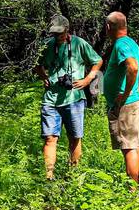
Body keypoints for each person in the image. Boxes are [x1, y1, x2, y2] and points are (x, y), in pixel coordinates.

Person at [34, 14, 102, 180]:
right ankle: (48, 177)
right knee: (50, 138)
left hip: (74, 98)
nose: (57, 36)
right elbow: (37, 63)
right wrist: (43, 76)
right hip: (51, 99)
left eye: (60, 33)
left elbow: (97, 61)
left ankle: (73, 175)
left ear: (67, 30)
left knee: (75, 137)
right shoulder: (46, 45)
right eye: (54, 33)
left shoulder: (78, 43)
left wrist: (87, 79)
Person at [102, 11, 139, 200]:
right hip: (133, 103)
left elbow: (133, 66)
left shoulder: (121, 44)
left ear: (109, 27)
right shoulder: (131, 43)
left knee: (128, 148)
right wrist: (137, 90)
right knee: (136, 144)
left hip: (126, 106)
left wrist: (126, 95)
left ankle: (132, 195)